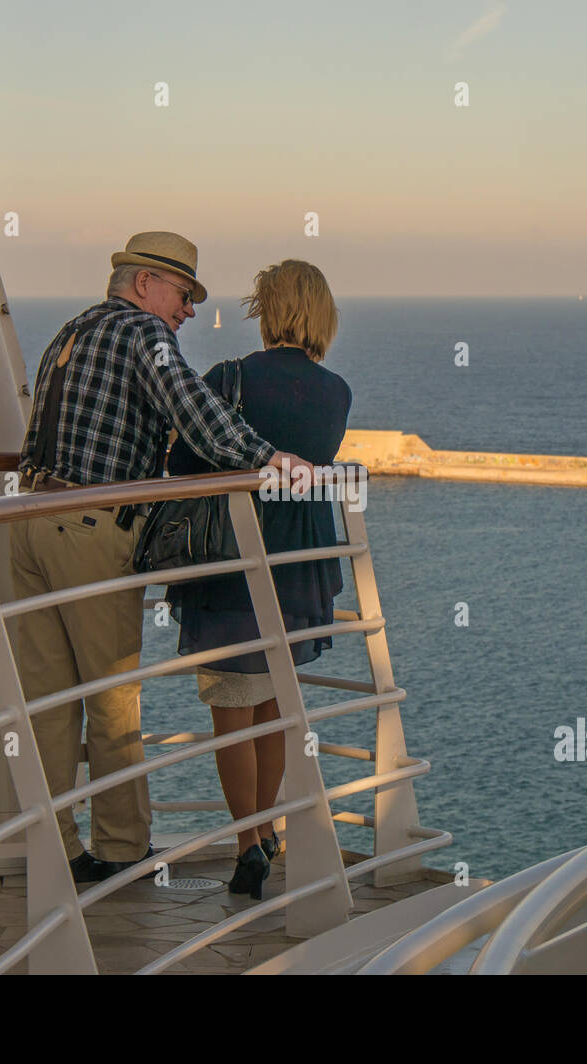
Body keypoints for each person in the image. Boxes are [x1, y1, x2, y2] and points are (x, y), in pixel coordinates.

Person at [10, 232, 315, 884]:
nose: (186, 312)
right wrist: (271, 460)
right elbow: (198, 413)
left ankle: (53, 846)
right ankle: (120, 849)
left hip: (29, 521)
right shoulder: (141, 335)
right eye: (182, 295)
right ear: (146, 282)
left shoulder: (71, 333)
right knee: (111, 698)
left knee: (49, 701)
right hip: (91, 529)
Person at [165, 260, 350, 900]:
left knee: (230, 712)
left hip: (232, 564)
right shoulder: (336, 392)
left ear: (267, 311)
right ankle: (266, 829)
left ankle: (247, 844)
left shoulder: (229, 379)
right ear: (320, 313)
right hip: (300, 569)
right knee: (274, 708)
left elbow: (187, 461)